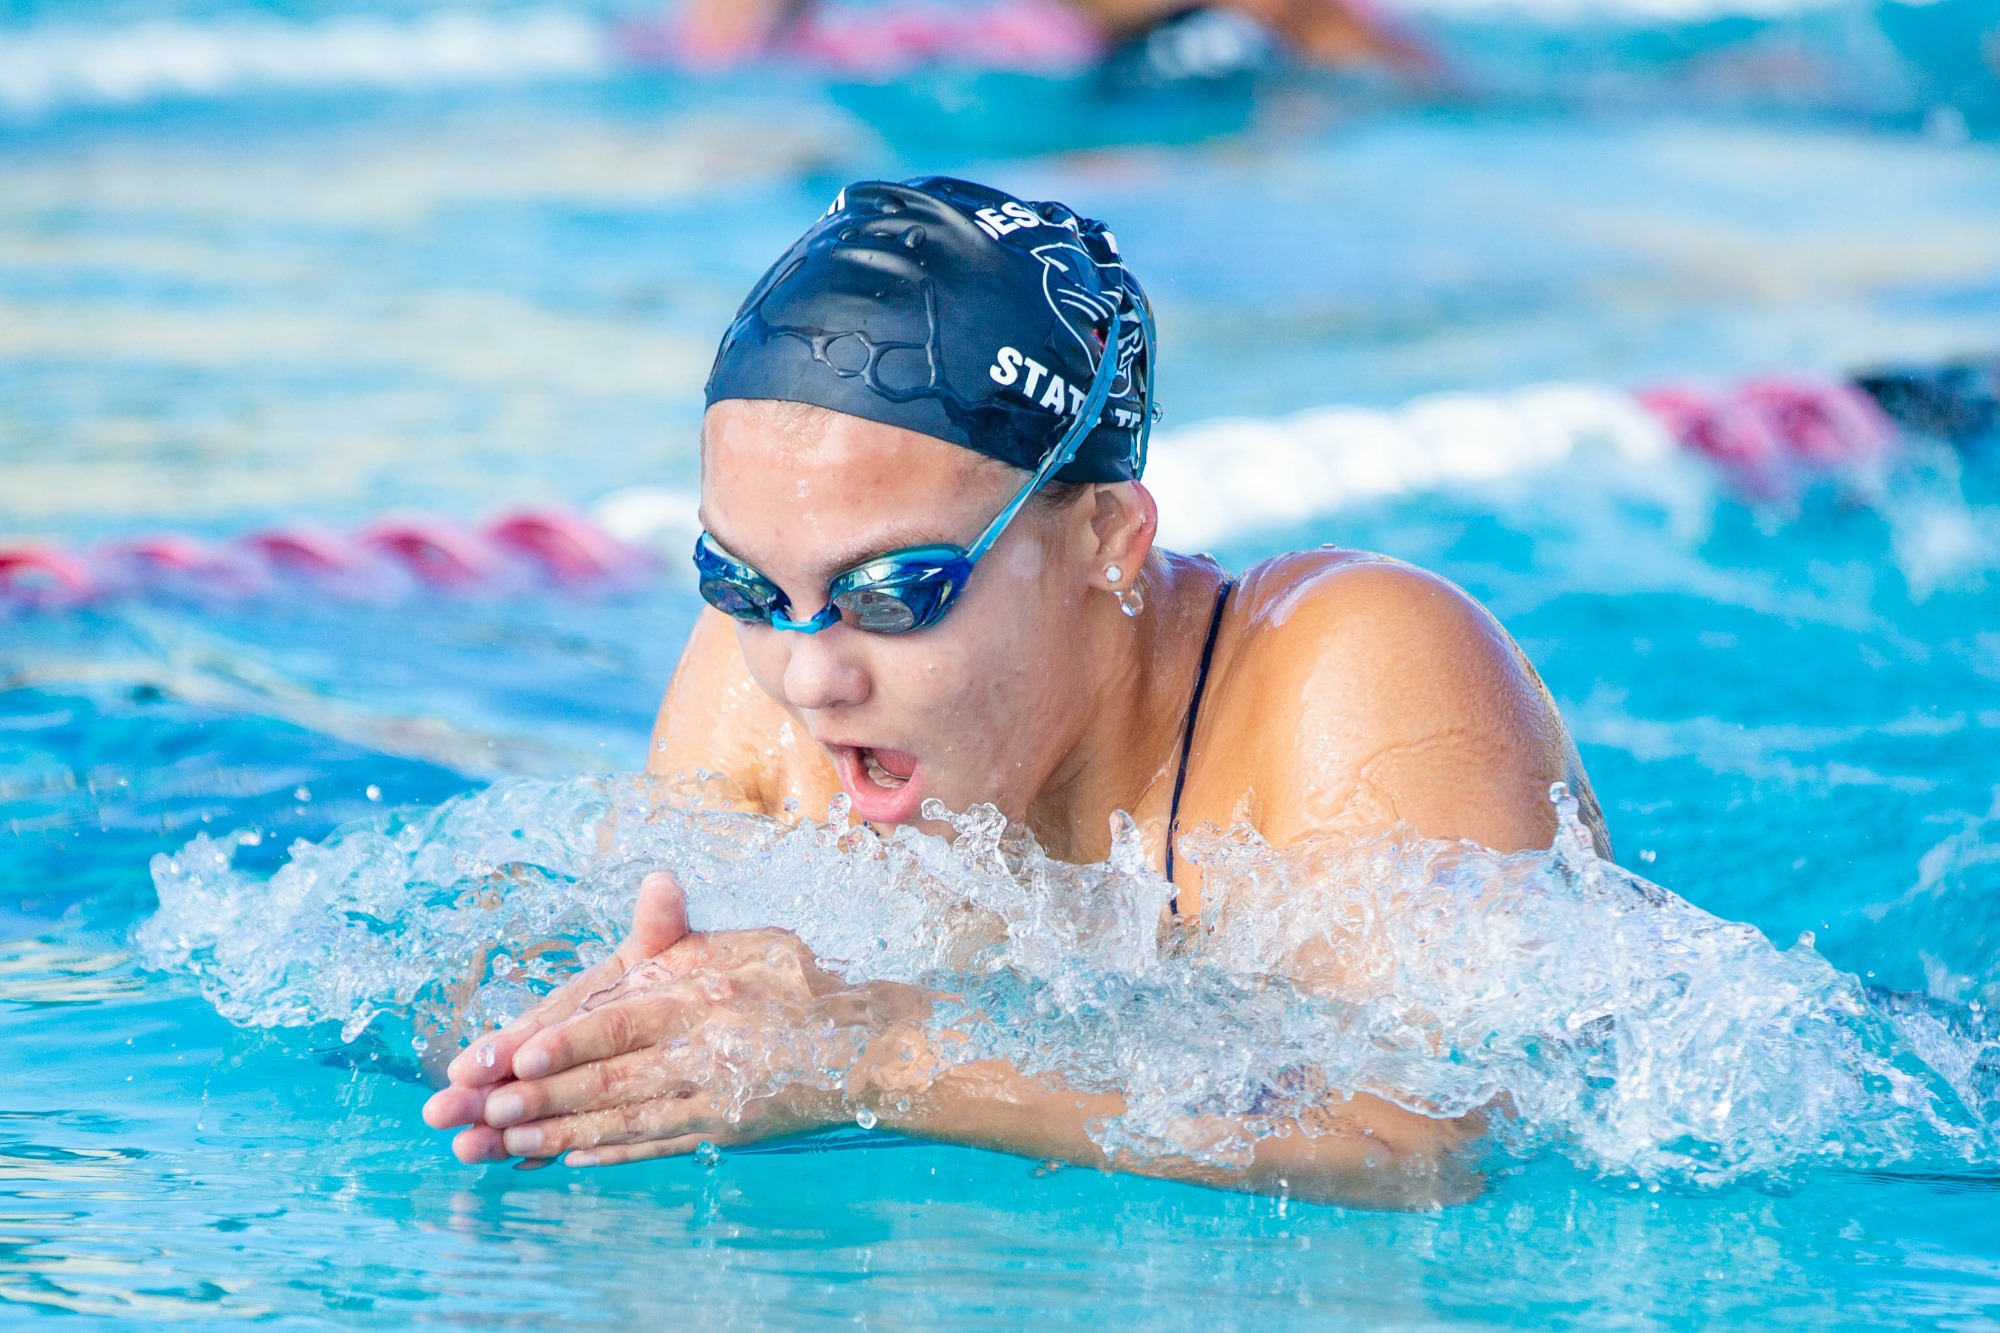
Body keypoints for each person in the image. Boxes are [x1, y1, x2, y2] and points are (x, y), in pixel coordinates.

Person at [423, 176, 1610, 1209]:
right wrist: (547, 1040)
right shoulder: (769, 672)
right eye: (738, 582)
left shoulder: (1348, 664)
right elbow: (584, 969)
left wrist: (875, 1052)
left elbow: (1432, 1134)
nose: (810, 674)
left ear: (1104, 536)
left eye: (893, 589)